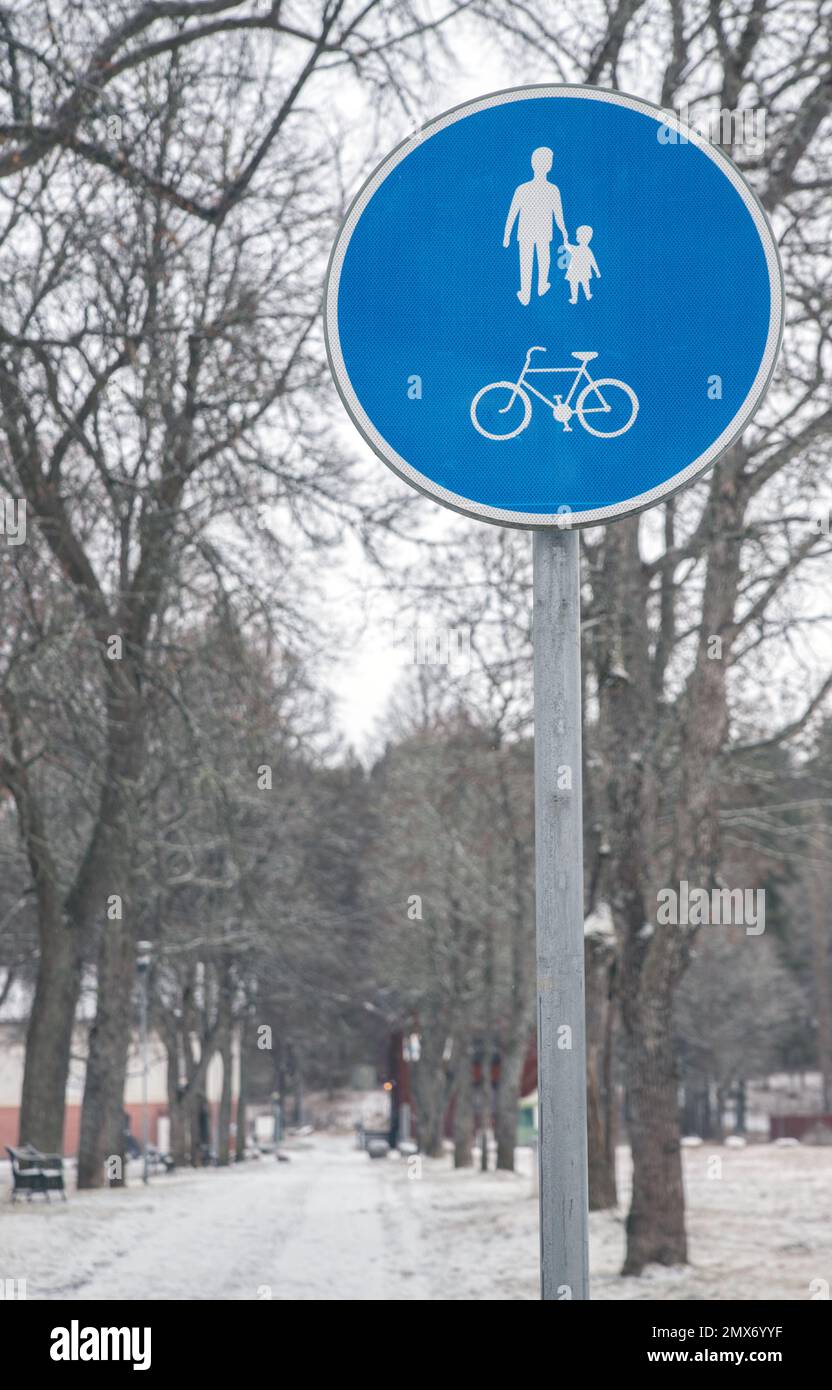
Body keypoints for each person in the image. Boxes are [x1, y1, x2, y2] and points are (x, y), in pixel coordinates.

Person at [503, 147, 568, 305]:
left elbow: (512, 215)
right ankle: (540, 286)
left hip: (529, 233)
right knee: (542, 259)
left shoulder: (524, 189)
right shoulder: (551, 189)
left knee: (529, 261)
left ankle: (527, 292)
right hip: (539, 233)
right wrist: (564, 232)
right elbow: (558, 217)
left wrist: (507, 236)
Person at [563, 225, 600, 304]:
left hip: (576, 271)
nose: (577, 236)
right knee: (582, 283)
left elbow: (593, 262)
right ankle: (585, 295)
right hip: (581, 271)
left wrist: (565, 240)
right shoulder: (585, 249)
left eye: (578, 235)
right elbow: (593, 262)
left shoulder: (578, 249)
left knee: (576, 284)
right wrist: (597, 272)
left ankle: (580, 296)